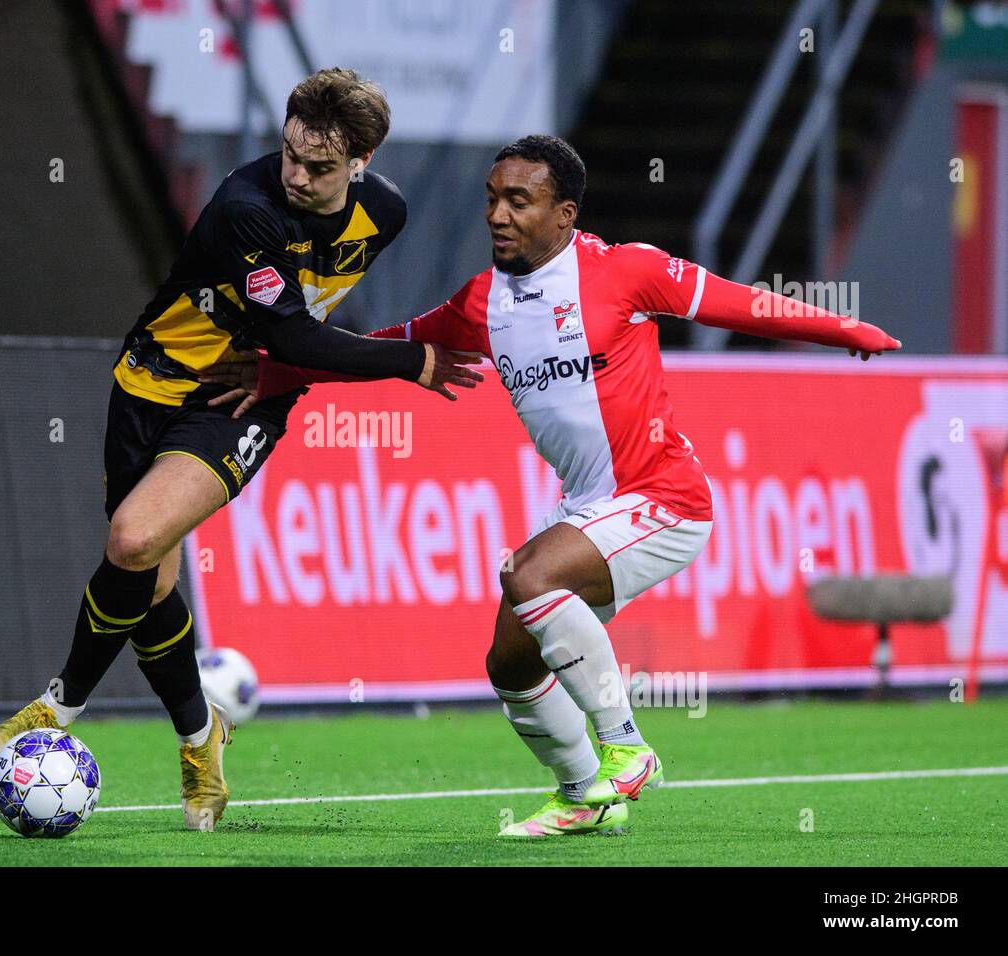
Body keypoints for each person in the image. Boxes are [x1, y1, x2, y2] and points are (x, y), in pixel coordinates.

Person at [201, 133, 901, 836]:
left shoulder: (627, 271)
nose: (497, 216)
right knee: (508, 661)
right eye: (491, 199)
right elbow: (386, 348)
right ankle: (582, 794)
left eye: (518, 201)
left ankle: (626, 742)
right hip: (588, 506)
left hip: (666, 498)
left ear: (564, 214)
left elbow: (742, 304)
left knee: (528, 576)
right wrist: (284, 371)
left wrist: (845, 330)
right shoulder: (483, 302)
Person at [0, 68, 483, 832]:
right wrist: (406, 363)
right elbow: (297, 331)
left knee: (133, 538)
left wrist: (282, 369)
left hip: (240, 401)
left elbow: (299, 331)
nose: (298, 176)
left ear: (361, 163)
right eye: (289, 156)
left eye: (319, 167)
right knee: (145, 583)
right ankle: (201, 736)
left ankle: (57, 706)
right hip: (147, 385)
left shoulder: (387, 213)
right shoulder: (248, 209)